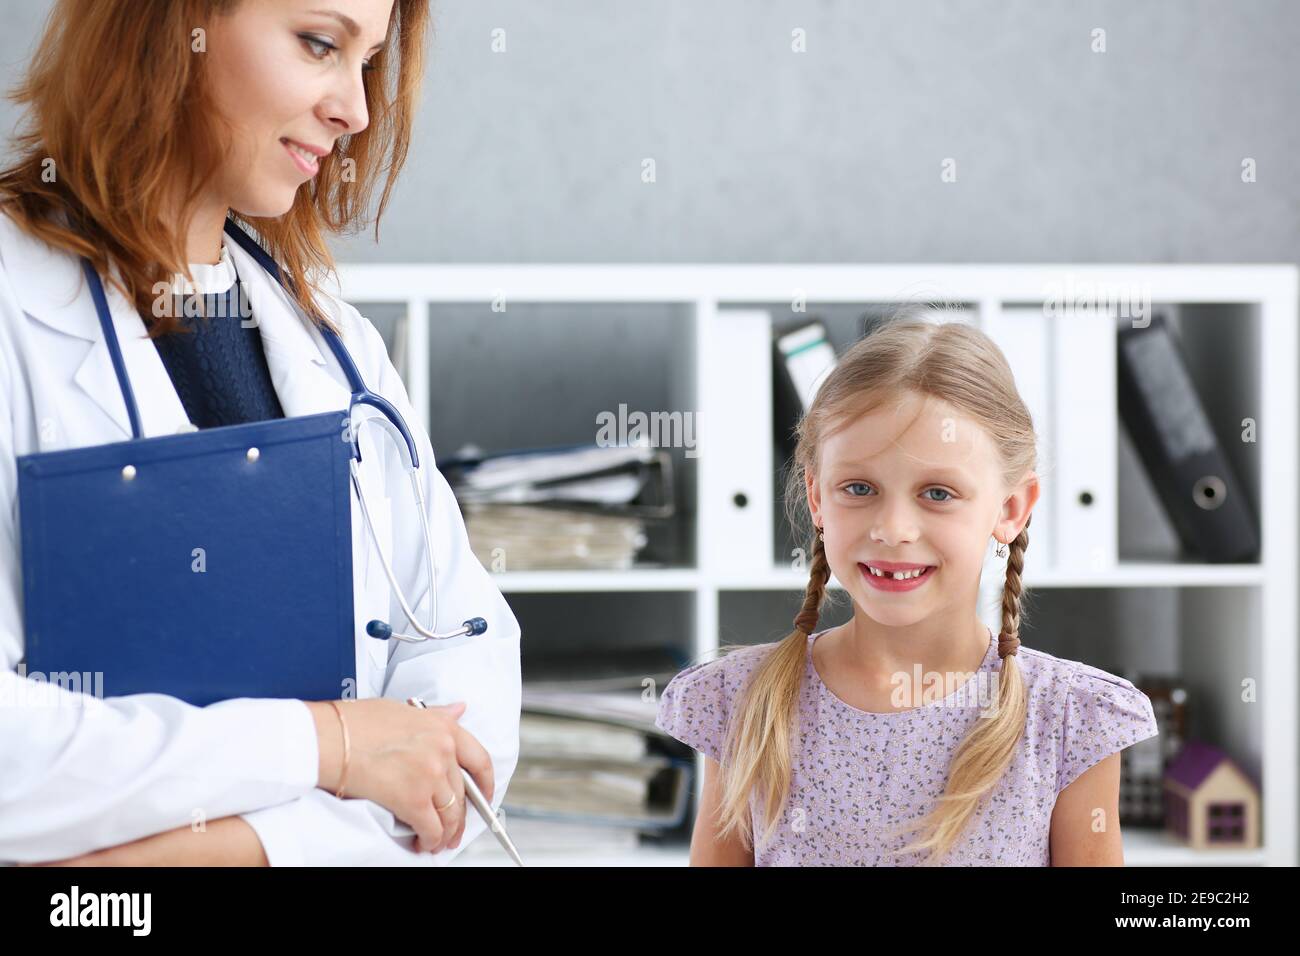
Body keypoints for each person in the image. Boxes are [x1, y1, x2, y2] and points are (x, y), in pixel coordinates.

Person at [0, 0, 522, 866]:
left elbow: (461, 726)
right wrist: (331, 747)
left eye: (369, 62)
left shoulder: (340, 350)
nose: (355, 109)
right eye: (320, 44)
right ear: (171, 26)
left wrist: (218, 852)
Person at [656, 312, 1159, 866]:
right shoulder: (742, 705)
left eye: (938, 493)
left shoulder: (1070, 721)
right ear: (818, 497)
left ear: (1011, 508)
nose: (893, 529)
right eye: (859, 487)